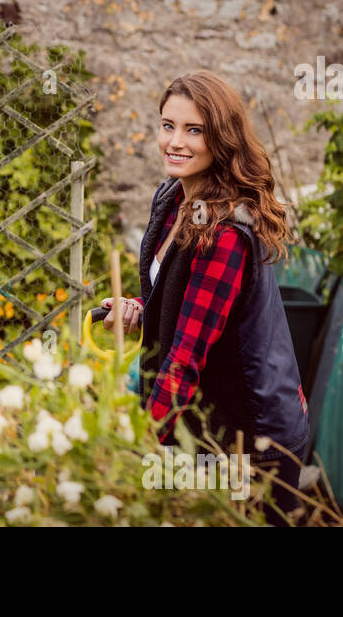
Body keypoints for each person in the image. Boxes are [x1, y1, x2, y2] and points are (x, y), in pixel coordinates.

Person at [100, 70, 311, 526]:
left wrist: (137, 443)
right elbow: (183, 300)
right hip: (201, 425)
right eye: (168, 125)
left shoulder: (226, 232)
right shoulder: (173, 199)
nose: (175, 142)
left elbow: (185, 357)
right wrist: (143, 309)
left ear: (221, 138)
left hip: (250, 442)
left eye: (193, 130)